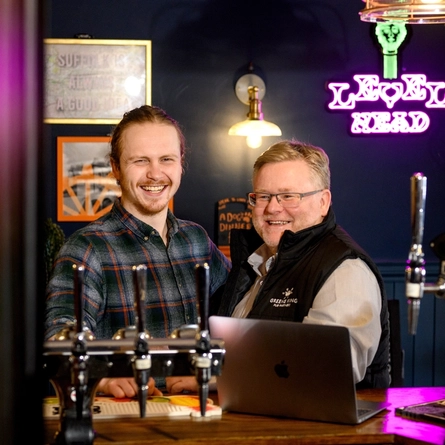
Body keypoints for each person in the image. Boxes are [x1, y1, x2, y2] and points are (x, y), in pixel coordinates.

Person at [45, 105, 231, 397]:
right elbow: (59, 334)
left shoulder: (196, 239)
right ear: (116, 168)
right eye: (140, 161)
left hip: (206, 416)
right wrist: (101, 377)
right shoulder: (87, 247)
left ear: (181, 163)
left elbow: (240, 313)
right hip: (132, 419)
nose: (155, 174)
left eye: (166, 159)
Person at [216, 139, 390, 389]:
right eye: (263, 196)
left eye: (288, 196)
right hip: (253, 418)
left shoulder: (346, 269)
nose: (273, 208)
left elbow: (324, 368)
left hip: (320, 427)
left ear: (323, 202)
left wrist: (215, 380)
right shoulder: (255, 262)